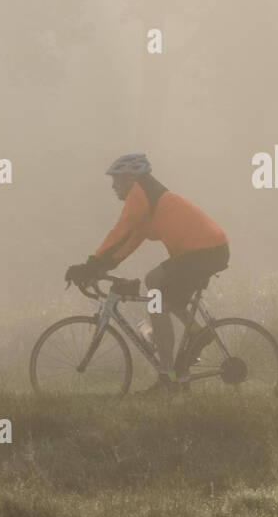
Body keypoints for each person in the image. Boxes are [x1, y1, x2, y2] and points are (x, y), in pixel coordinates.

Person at [65, 154, 229, 392]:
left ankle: (168, 376)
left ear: (131, 178)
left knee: (155, 287)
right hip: (209, 251)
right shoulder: (149, 200)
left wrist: (91, 264)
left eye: (116, 180)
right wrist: (100, 267)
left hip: (204, 252)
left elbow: (120, 230)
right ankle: (196, 335)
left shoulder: (140, 192)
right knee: (164, 296)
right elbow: (127, 243)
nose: (113, 186)